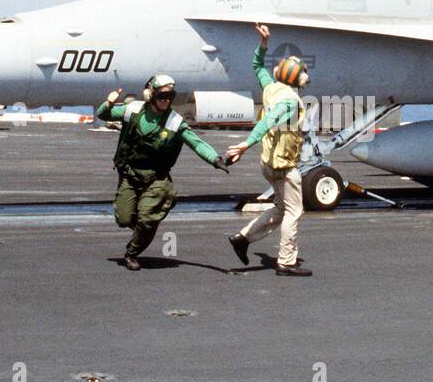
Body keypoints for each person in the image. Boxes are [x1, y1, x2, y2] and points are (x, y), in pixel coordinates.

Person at [98, 75, 228, 270]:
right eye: (162, 96)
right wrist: (108, 103)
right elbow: (103, 115)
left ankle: (131, 253)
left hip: (156, 177)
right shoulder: (132, 110)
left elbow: (196, 143)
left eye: (170, 97)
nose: (166, 101)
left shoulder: (175, 122)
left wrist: (215, 159)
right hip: (130, 174)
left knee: (147, 219)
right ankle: (145, 226)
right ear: (151, 95)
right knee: (124, 219)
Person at [225, 24, 311, 276]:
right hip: (283, 166)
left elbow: (257, 67)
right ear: (298, 79)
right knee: (294, 212)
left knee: (281, 208)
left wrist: (263, 44)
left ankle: (243, 238)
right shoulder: (289, 101)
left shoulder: (270, 87)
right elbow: (267, 121)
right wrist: (245, 143)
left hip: (268, 164)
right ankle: (286, 262)